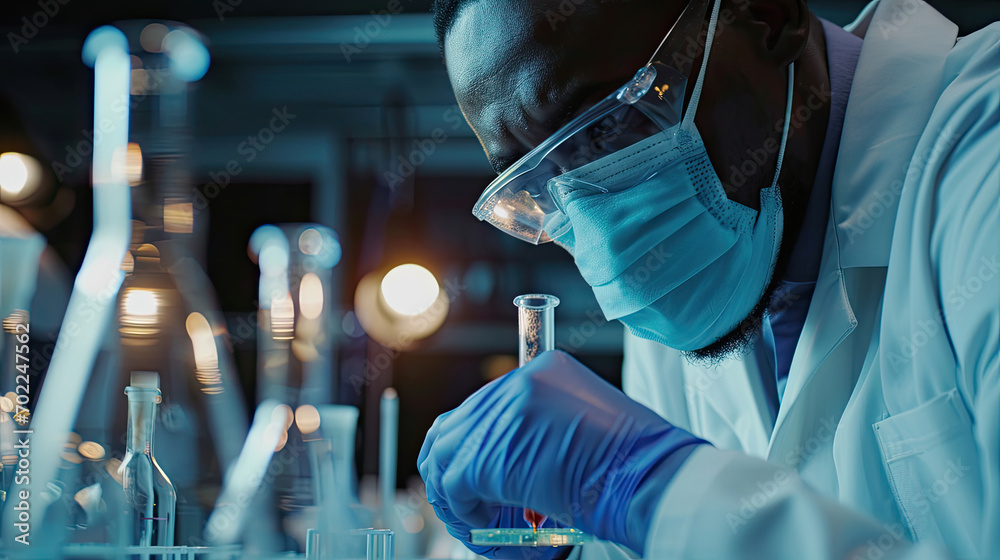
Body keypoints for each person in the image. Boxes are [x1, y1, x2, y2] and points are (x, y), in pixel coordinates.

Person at [417, 0, 1000, 558]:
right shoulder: (680, 273)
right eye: (535, 183)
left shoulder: (984, 160)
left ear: (767, 15)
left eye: (608, 125)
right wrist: (583, 539)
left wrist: (643, 487)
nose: (602, 231)